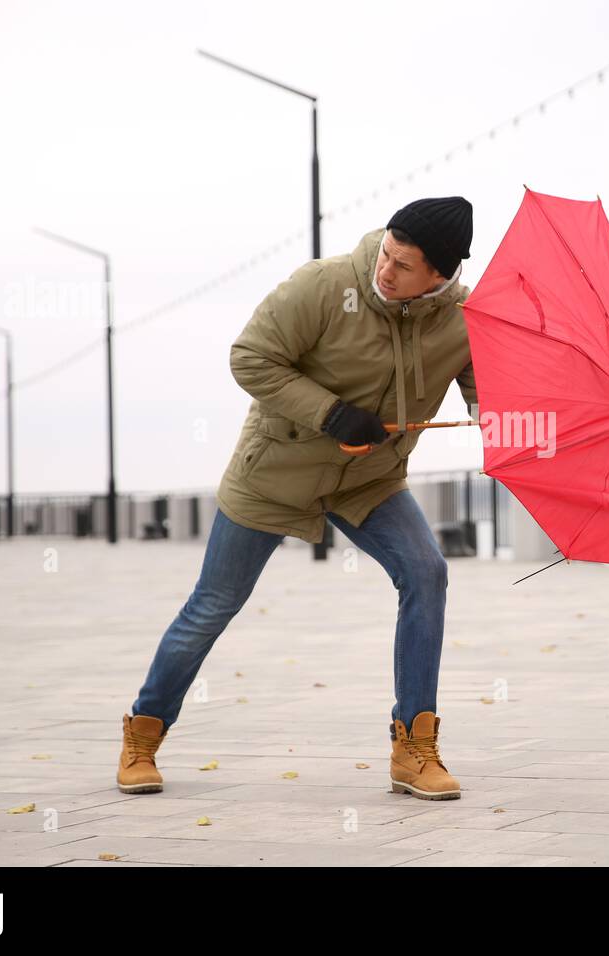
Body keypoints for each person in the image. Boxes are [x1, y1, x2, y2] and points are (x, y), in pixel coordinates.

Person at [118, 196, 476, 801]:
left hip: (371, 480)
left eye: (405, 265)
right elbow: (250, 358)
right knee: (214, 604)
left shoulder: (465, 317)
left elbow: (483, 385)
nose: (386, 271)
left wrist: (515, 416)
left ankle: (414, 747)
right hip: (275, 473)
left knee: (427, 573)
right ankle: (143, 735)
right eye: (387, 253)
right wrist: (331, 414)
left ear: (439, 277)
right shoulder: (323, 285)